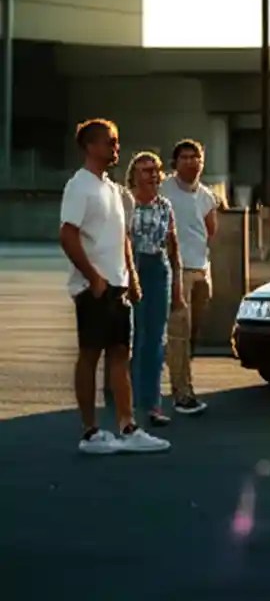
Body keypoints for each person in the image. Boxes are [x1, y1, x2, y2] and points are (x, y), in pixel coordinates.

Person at [59, 119, 170, 454]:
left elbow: (121, 237)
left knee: (122, 354)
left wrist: (131, 277)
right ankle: (90, 432)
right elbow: (67, 234)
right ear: (91, 147)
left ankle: (128, 426)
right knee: (90, 356)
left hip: (119, 285)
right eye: (110, 142)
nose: (116, 148)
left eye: (116, 141)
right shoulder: (79, 186)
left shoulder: (112, 190)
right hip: (94, 287)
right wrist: (93, 278)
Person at [105, 151, 186, 427]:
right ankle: (122, 397)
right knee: (130, 337)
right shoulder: (125, 203)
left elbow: (173, 247)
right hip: (130, 267)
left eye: (154, 170)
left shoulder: (165, 206)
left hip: (157, 267)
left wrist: (178, 288)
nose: (151, 175)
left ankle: (151, 403)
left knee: (154, 339)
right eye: (144, 170)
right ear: (134, 175)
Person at [159, 139, 220, 415]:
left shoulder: (207, 195)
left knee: (193, 332)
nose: (190, 162)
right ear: (175, 162)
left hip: (201, 269)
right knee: (178, 333)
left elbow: (211, 230)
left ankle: (179, 377)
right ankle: (182, 393)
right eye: (184, 157)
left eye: (195, 157)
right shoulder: (164, 189)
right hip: (175, 270)